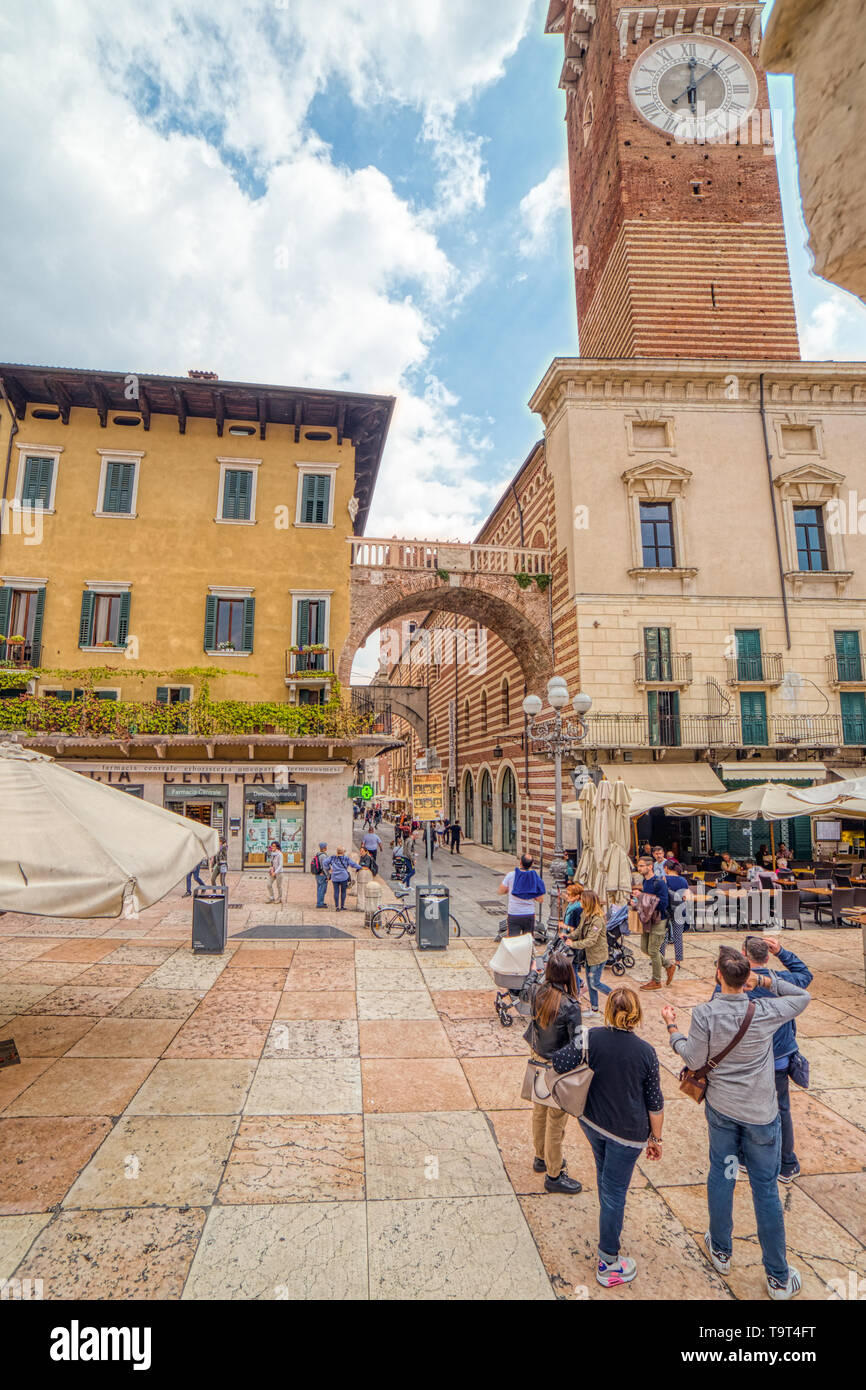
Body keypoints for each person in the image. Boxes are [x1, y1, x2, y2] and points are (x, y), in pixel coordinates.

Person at [663, 946, 811, 1300]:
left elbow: (694, 1057)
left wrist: (672, 1029)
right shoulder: (764, 1011)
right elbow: (802, 995)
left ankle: (721, 1249)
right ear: (745, 978)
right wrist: (763, 981)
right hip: (761, 1114)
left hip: (723, 1110)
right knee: (765, 1190)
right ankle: (777, 1277)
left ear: (718, 975)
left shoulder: (705, 1013)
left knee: (723, 1174)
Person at [552, 986, 664, 1287]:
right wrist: (657, 1139)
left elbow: (559, 1062)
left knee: (606, 1179)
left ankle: (608, 1225)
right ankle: (608, 1262)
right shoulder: (646, 1053)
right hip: (627, 1134)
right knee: (614, 1190)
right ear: (636, 1013)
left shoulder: (590, 1037)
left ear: (609, 1012)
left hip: (592, 1122)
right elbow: (655, 1103)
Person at [724, 936, 813, 1184]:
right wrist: (782, 952)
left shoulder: (734, 982)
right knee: (781, 1109)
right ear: (767, 955)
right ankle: (786, 1163)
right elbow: (804, 974)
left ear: (743, 954)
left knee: (743, 1107)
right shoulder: (782, 981)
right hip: (779, 1057)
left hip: (747, 1061)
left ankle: (744, 1156)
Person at [520, 952, 584, 1195]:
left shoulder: (537, 992)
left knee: (539, 1112)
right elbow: (577, 1045)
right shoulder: (570, 1005)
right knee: (556, 1121)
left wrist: (532, 971)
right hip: (557, 1068)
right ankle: (554, 1173)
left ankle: (540, 1157)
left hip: (538, 1060)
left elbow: (524, 989)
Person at [563, 887, 610, 1019]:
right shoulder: (585, 914)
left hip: (597, 956)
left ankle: (615, 995)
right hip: (589, 956)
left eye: (583, 900)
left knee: (595, 983)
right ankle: (594, 1009)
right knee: (590, 983)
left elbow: (591, 940)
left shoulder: (597, 920)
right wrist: (569, 936)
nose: (580, 902)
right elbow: (579, 930)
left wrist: (573, 944)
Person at [634, 854, 669, 991]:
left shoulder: (659, 882)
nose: (639, 868)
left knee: (653, 950)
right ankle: (668, 965)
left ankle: (656, 980)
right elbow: (647, 901)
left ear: (650, 866)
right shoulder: (645, 882)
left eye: (642, 866)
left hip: (659, 919)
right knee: (644, 948)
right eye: (638, 866)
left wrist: (642, 896)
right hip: (648, 919)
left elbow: (663, 903)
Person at [498, 853, 546, 936]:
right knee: (527, 941)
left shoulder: (511, 875)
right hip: (529, 913)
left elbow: (501, 891)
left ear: (520, 862)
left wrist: (509, 890)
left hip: (514, 913)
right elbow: (540, 900)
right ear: (531, 864)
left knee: (513, 940)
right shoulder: (535, 878)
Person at [661, 859, 691, 983]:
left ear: (667, 868)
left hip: (666, 910)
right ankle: (678, 961)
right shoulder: (683, 880)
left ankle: (661, 959)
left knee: (663, 936)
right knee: (678, 936)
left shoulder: (663, 879)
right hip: (679, 909)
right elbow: (686, 897)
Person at [327, 846, 361, 911]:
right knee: (343, 892)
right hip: (343, 877)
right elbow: (353, 864)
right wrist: (360, 867)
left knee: (336, 892)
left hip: (335, 877)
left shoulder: (333, 857)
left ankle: (337, 907)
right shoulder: (346, 858)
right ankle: (342, 906)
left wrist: (329, 868)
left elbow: (324, 863)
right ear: (343, 852)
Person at [311, 841, 329, 909]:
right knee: (322, 889)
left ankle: (320, 901)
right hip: (322, 874)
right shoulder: (323, 856)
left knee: (319, 889)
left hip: (317, 874)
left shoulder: (318, 854)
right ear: (324, 848)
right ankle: (320, 903)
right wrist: (328, 875)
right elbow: (325, 867)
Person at [267, 840, 285, 904]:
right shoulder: (272, 853)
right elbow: (271, 863)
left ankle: (279, 898)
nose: (272, 847)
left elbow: (281, 865)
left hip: (279, 872)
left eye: (274, 846)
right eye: (272, 846)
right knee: (268, 884)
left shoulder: (280, 854)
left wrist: (275, 872)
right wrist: (271, 868)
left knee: (279, 886)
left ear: (277, 847)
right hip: (273, 871)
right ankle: (272, 897)